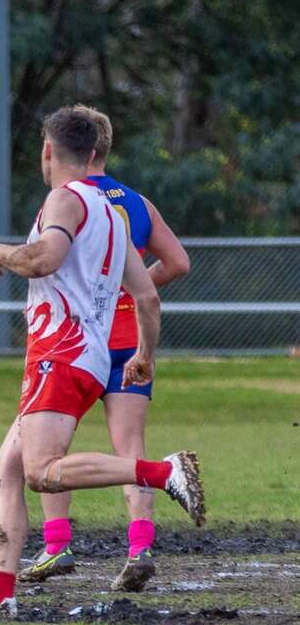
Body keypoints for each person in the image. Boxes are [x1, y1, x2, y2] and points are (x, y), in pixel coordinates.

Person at [0, 107, 205, 619]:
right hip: (85, 355)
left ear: (48, 150)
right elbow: (147, 298)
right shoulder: (114, 216)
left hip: (59, 355)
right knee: (8, 469)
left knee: (42, 472)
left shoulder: (64, 200)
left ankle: (163, 471)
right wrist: (144, 356)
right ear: (94, 154)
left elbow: (44, 259)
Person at [23, 106, 192, 592]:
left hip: (76, 341)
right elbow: (177, 262)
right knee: (130, 447)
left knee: (51, 448)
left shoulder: (68, 198)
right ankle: (140, 547)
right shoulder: (135, 202)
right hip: (128, 340)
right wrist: (126, 291)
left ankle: (56, 545)